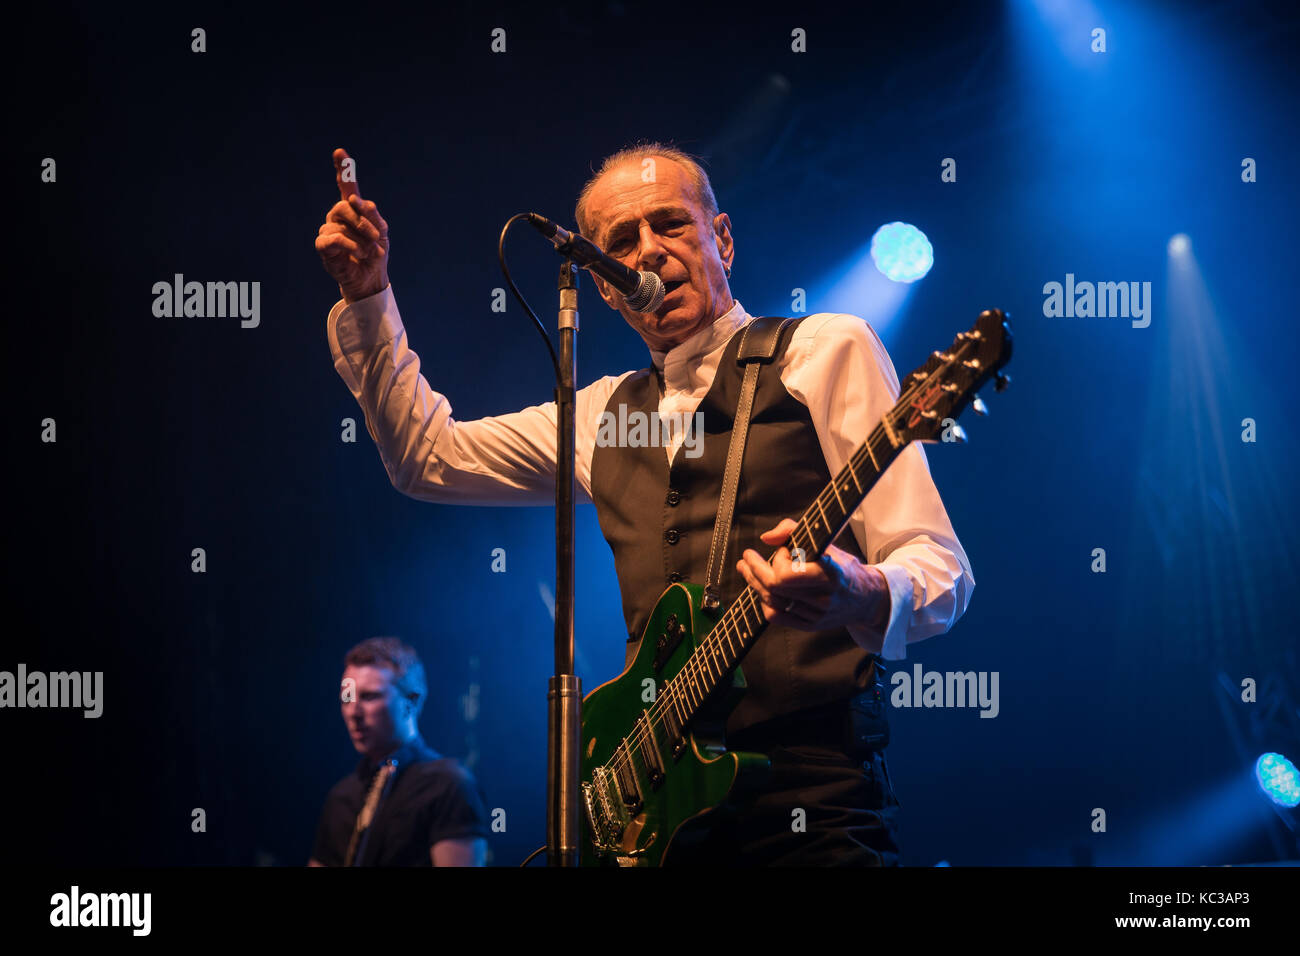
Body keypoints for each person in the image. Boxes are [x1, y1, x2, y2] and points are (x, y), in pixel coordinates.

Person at [315, 142, 975, 865]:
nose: (649, 251)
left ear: (720, 238)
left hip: (806, 794)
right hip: (657, 813)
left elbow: (937, 564)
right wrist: (367, 297)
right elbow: (425, 458)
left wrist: (858, 589)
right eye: (622, 242)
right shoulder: (602, 413)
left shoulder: (824, 350)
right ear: (602, 283)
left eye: (671, 225)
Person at [308, 637, 489, 866]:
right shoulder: (341, 797)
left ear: (411, 702)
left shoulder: (449, 785)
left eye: (369, 696)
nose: (353, 711)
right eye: (347, 697)